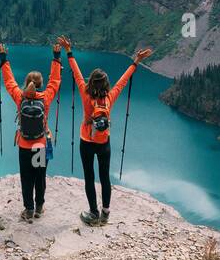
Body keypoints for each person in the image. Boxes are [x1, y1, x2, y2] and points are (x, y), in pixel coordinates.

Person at [58, 37, 152, 226]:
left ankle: (93, 213)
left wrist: (69, 51)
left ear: (91, 82)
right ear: (106, 83)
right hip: (103, 143)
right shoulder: (109, 98)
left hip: (86, 141)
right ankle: (105, 213)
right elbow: (123, 82)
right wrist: (136, 62)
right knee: (104, 177)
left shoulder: (85, 93)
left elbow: (76, 74)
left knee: (89, 177)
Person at [0, 41, 62, 221]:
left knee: (26, 178)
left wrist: (4, 60)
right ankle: (39, 207)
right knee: (39, 176)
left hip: (24, 145)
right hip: (40, 144)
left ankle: (28, 210)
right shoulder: (46, 97)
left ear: (26, 83)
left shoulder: (20, 97)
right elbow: (55, 82)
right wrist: (56, 59)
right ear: (41, 84)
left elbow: (9, 82)